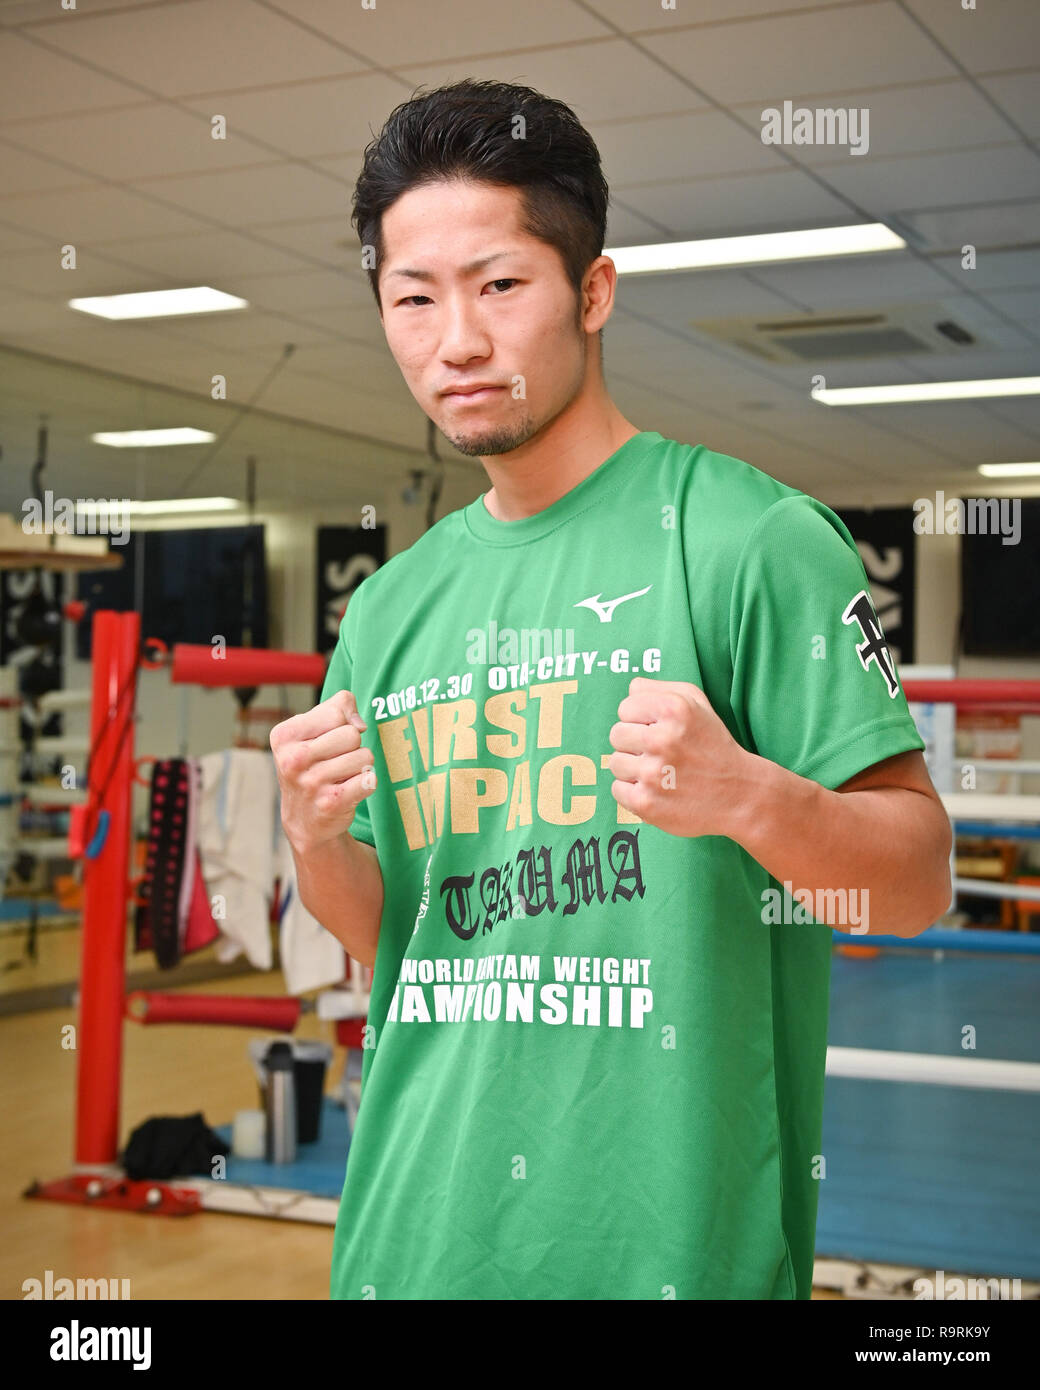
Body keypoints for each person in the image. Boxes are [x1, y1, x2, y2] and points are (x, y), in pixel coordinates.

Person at [271, 79, 952, 1301]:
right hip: (411, 1245)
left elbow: (911, 883)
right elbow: (398, 936)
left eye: (498, 286)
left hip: (670, 1256)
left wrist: (749, 798)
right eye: (411, 299)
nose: (455, 341)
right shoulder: (386, 609)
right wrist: (312, 842)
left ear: (591, 292)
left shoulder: (749, 539)